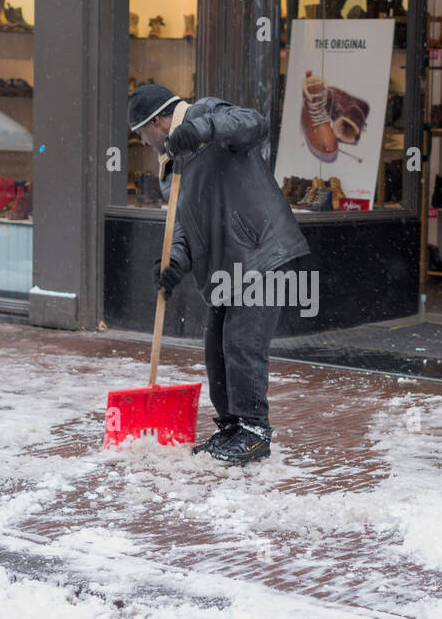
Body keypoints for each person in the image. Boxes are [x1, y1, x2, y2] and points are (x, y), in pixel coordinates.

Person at [128, 83, 310, 464]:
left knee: (242, 344)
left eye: (142, 133)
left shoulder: (206, 113)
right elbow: (183, 227)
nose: (143, 143)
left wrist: (203, 128)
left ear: (159, 121)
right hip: (226, 268)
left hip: (262, 252)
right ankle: (232, 427)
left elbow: (255, 124)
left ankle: (255, 431)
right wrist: (174, 263)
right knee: (216, 350)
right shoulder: (170, 169)